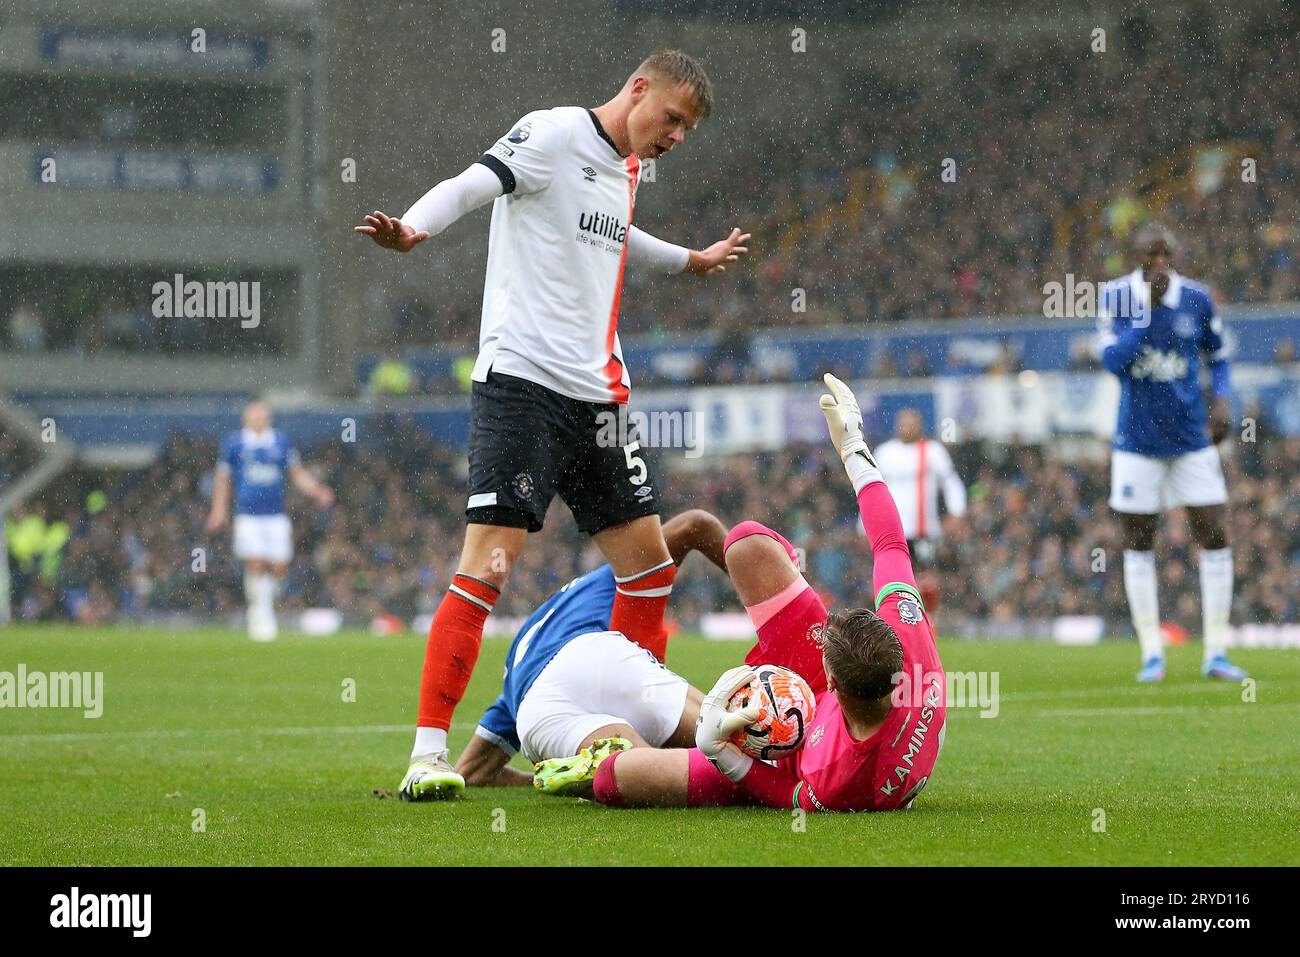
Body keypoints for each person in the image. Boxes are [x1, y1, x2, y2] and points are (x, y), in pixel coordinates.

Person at [356, 49, 750, 801]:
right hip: (524, 388)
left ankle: (614, 729)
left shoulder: (625, 170)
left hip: (598, 399)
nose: (674, 138)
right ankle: (427, 754)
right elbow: (472, 185)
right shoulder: (552, 133)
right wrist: (413, 228)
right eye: (672, 119)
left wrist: (690, 261)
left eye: (687, 131)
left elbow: (613, 234)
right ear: (639, 89)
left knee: (648, 568)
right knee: (488, 568)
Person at [534, 376, 947, 813]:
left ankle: (608, 757)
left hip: (789, 762)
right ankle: (724, 705)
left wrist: (723, 753)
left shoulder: (835, 779)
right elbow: (889, 545)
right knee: (746, 544)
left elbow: (787, 795)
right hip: (836, 702)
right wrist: (854, 450)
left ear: (834, 681)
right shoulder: (913, 643)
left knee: (614, 781)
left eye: (829, 644)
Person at [452, 510, 728, 790]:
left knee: (651, 772)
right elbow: (696, 524)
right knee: (732, 745)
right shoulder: (610, 577)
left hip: (536, 713)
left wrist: (531, 781)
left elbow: (471, 772)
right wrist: (764, 602)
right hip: (593, 657)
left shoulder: (520, 664)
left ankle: (604, 770)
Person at [1098, 222, 1246, 683]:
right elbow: (1112, 363)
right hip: (1136, 444)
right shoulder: (1117, 298)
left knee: (1214, 535)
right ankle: (1151, 655)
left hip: (1190, 440)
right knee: (1139, 543)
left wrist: (1221, 400)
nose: (1159, 263)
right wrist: (1147, 316)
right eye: (1150, 255)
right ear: (1134, 258)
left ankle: (1216, 653)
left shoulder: (1197, 299)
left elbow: (1218, 356)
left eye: (1166, 254)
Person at [204, 400, 334, 641]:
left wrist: (317, 490)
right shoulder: (235, 444)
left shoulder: (281, 442)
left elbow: (296, 473)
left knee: (279, 566)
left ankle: (265, 606)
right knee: (255, 561)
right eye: (254, 415)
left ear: (268, 419)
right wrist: (219, 509)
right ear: (246, 419)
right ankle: (260, 614)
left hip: (275, 515)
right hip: (248, 515)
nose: (258, 419)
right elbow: (223, 479)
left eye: (262, 415)